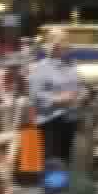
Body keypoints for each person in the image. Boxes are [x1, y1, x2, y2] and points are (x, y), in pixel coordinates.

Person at [27, 28, 86, 165]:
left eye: (67, 41)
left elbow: (81, 85)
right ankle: (52, 185)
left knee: (66, 158)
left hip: (71, 116)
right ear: (54, 45)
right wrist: (57, 99)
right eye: (63, 41)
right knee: (52, 162)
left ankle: (64, 185)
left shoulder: (72, 65)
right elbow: (35, 94)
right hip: (51, 120)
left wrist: (82, 95)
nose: (67, 45)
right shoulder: (41, 67)